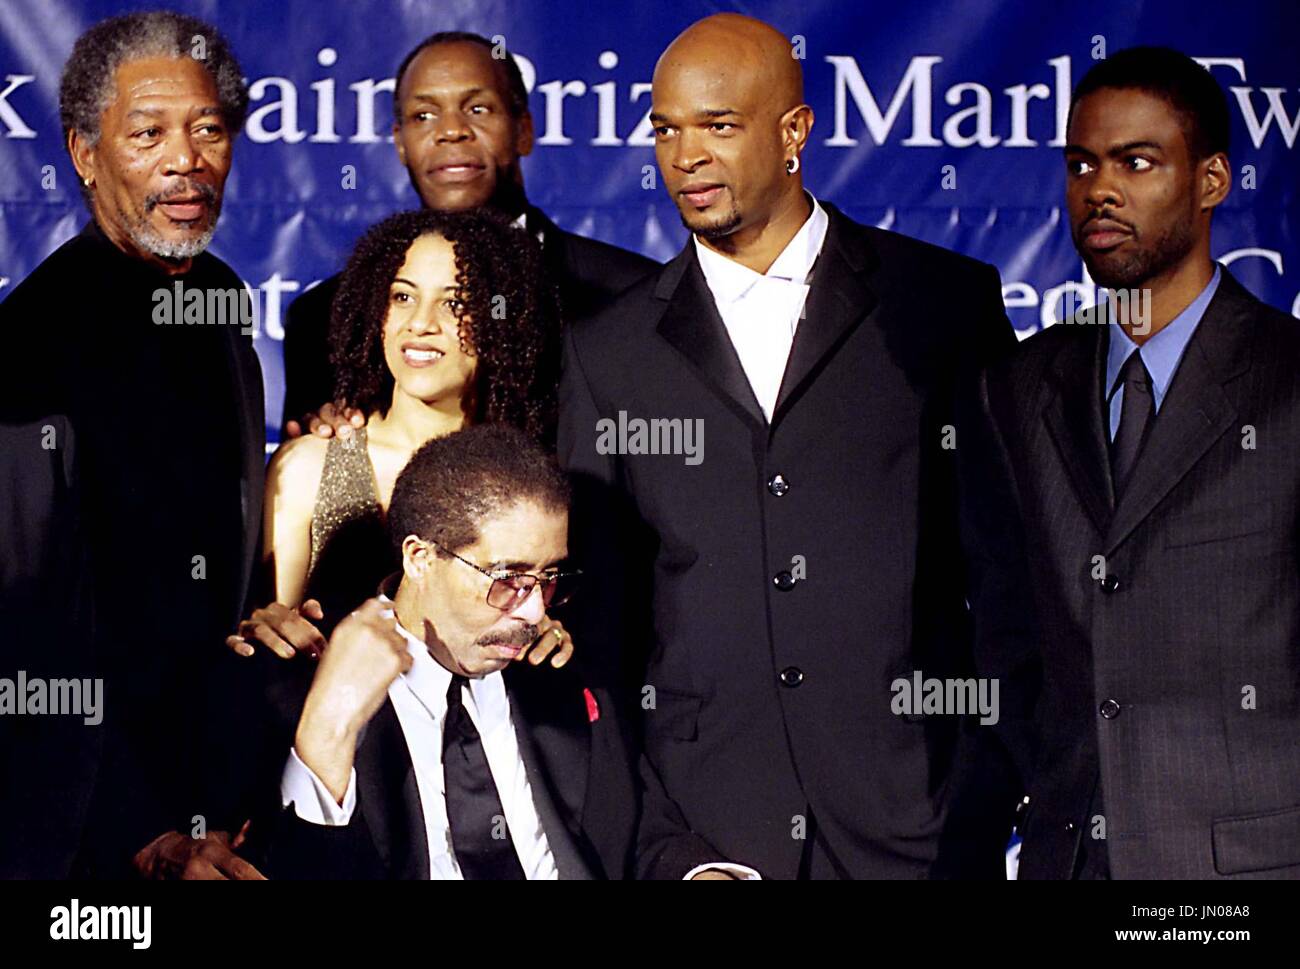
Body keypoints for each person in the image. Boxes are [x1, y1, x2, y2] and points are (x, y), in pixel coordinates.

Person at [558, 13, 1017, 879]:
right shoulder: (607, 351)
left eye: (719, 126)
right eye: (665, 130)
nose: (684, 156)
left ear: (795, 131)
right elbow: (601, 633)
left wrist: (984, 789)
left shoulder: (940, 304)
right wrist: (665, 848)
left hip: (922, 832)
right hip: (714, 839)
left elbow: (1006, 572)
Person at [961, 47, 1300, 879]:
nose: (1099, 190)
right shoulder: (1017, 387)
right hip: (1066, 857)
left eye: (1136, 162)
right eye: (1081, 164)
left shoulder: (1289, 379)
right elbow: (1007, 645)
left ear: (1211, 180)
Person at [0, 11, 263, 878]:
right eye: (148, 134)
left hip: (227, 793)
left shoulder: (223, 295)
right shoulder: (30, 344)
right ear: (84, 154)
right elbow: (29, 625)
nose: (185, 159)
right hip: (87, 821)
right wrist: (143, 825)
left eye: (208, 130)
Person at [249, 424, 636, 879]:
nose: (533, 611)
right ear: (419, 557)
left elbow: (641, 823)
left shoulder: (558, 671)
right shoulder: (297, 683)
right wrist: (329, 729)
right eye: (507, 578)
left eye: (548, 579)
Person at [282, 31, 656, 434]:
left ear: (523, 130)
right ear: (400, 143)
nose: (451, 131)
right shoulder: (323, 317)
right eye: (424, 115)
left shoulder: (628, 295)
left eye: (478, 109)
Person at [253, 210, 569, 637]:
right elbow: (272, 635)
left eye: (455, 303)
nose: (420, 323)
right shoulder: (308, 467)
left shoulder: (534, 481)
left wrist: (542, 635)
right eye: (403, 297)